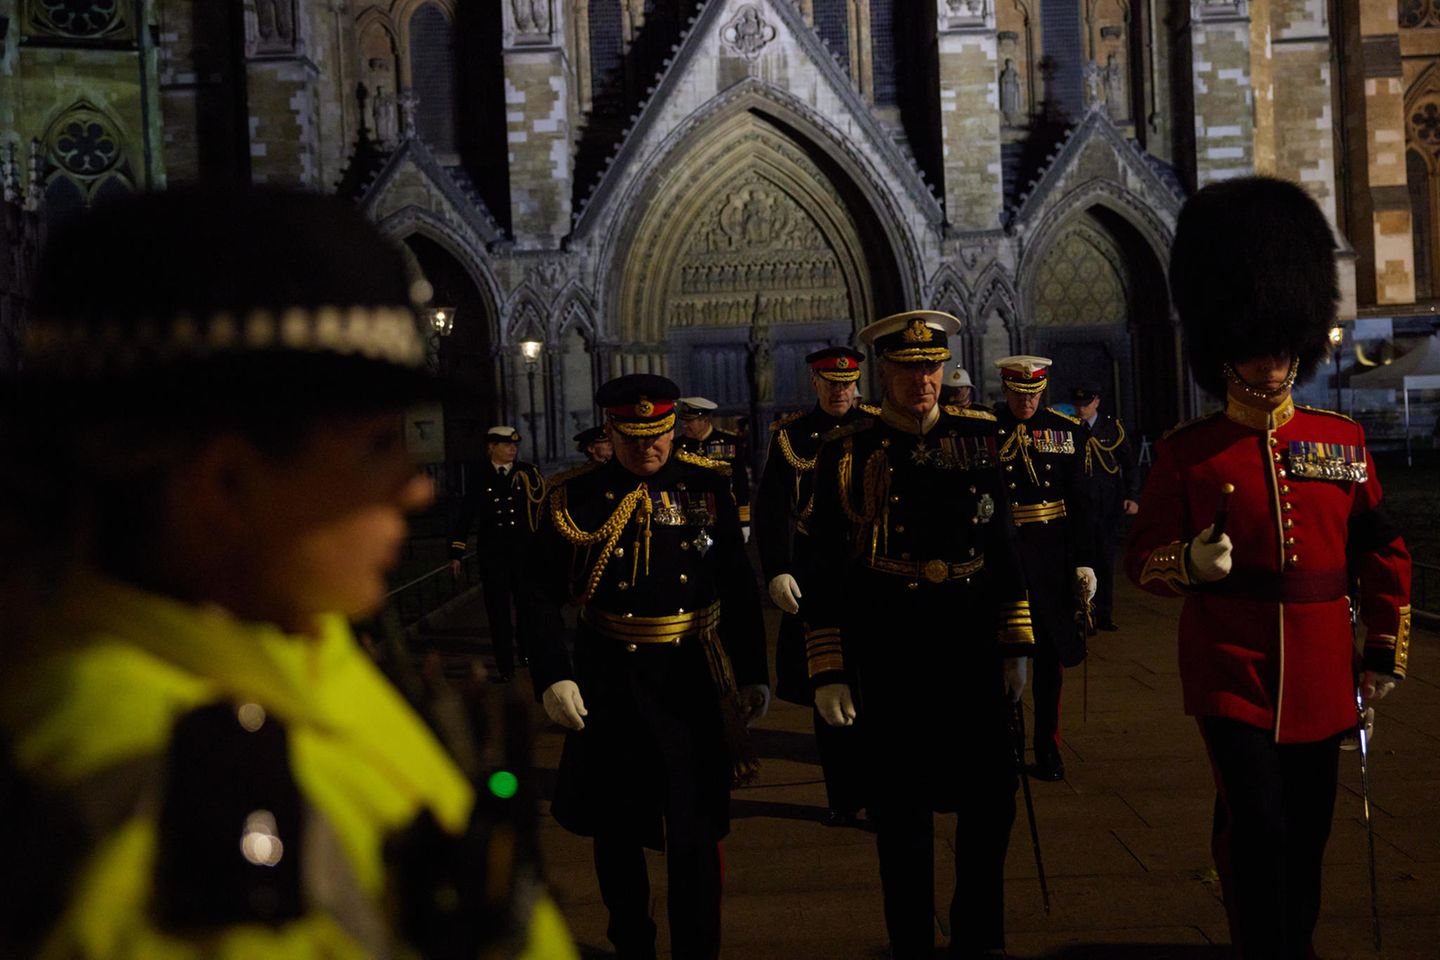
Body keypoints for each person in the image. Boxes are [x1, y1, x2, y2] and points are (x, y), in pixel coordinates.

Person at [0, 188, 575, 959]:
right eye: (376, 447)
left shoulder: (284, 641)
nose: (418, 487)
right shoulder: (154, 829)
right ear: (226, 486)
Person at [1125, 176, 1412, 959]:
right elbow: (1141, 558)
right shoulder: (1190, 452)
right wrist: (1186, 562)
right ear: (1228, 351)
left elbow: (1381, 549)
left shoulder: (1340, 442)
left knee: (1309, 831)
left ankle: (1296, 941)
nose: (1276, 362)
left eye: (1284, 347)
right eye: (1261, 348)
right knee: (1257, 821)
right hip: (1232, 666)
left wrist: (1381, 651)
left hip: (1322, 666)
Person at [803, 311, 1033, 959]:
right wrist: (828, 665)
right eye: (908, 369)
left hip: (970, 647)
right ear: (886, 373)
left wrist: (1017, 644)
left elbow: (1004, 544)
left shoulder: (980, 437)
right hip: (892, 646)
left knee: (991, 806)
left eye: (931, 367)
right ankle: (910, 942)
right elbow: (821, 562)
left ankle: (977, 939)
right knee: (902, 820)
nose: (923, 381)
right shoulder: (850, 451)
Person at [527, 374, 770, 960]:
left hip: (693, 680)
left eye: (659, 434)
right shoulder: (574, 497)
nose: (649, 448)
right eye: (634, 437)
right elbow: (536, 591)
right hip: (611, 680)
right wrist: (553, 673)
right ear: (610, 430)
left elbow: (738, 587)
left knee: (696, 831)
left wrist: (754, 670)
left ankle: (697, 949)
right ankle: (631, 939)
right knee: (617, 831)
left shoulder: (706, 488)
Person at [753, 346, 868, 827]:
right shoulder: (792, 437)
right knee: (828, 690)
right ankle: (842, 796)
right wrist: (778, 567)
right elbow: (770, 507)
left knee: (878, 690)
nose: (840, 390)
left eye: (847, 383)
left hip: (873, 572)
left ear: (858, 383)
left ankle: (882, 792)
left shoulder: (880, 428)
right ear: (815, 383)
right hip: (818, 576)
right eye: (830, 382)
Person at [993, 355, 1097, 781]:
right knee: (1007, 655)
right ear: (1006, 390)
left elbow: (1082, 504)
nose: (1027, 403)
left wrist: (1086, 561)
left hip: (1052, 556)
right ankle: (1008, 741)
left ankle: (1047, 745)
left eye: (1034, 394)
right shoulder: (985, 430)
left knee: (1050, 661)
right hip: (1006, 554)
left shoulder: (1066, 431)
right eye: (1019, 394)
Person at [449, 425, 546, 682]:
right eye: (506, 444)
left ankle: (525, 652)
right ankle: (505, 666)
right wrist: (456, 551)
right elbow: (466, 514)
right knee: (498, 612)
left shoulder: (527, 472)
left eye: (514, 444)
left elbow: (540, 511)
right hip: (493, 555)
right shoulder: (479, 475)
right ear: (491, 447)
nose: (512, 448)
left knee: (526, 608)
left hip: (523, 553)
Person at [1071, 384, 1139, 631]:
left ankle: (1104, 614)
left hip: (1108, 505)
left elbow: (1129, 464)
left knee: (1105, 560)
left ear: (1096, 402)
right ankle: (1083, 611)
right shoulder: (1069, 428)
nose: (1081, 409)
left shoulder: (1112, 428)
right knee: (1082, 561)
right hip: (1080, 506)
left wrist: (1133, 496)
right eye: (1077, 405)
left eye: (1085, 404)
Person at [677, 395, 753, 539]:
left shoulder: (729, 442)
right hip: (688, 518)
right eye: (684, 421)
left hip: (723, 517)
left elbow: (740, 484)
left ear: (704, 420)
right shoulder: (677, 446)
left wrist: (744, 523)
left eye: (689, 421)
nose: (684, 425)